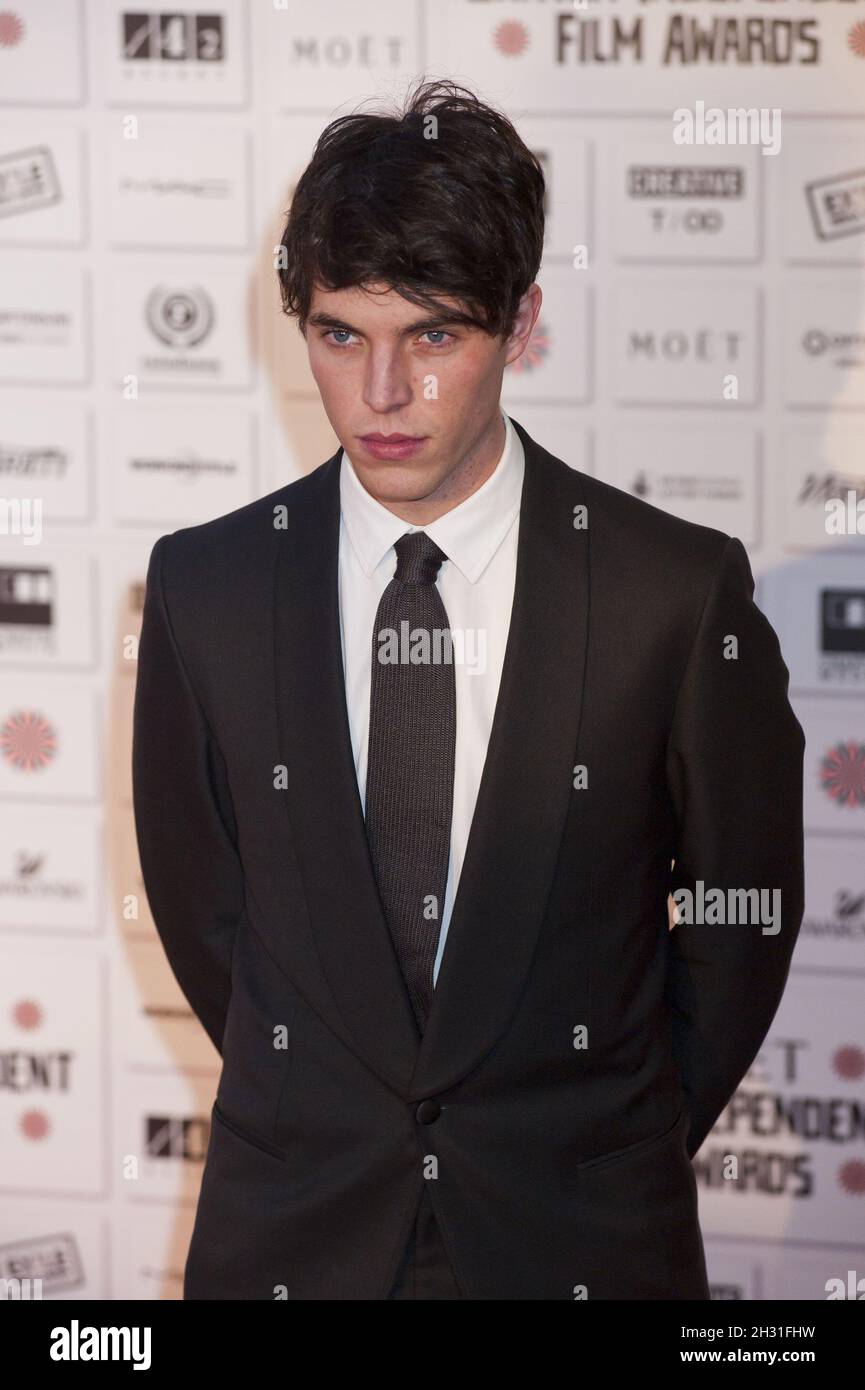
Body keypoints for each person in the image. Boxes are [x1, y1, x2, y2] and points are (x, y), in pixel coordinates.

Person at [131, 78, 805, 1300]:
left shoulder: (672, 592)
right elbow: (206, 912)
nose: (382, 394)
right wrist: (334, 1097)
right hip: (292, 1236)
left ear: (522, 323)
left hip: (581, 1241)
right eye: (342, 334)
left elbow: (738, 920)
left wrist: (601, 1137)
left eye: (433, 334)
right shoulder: (206, 587)